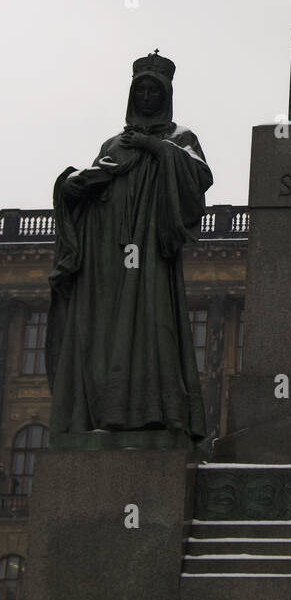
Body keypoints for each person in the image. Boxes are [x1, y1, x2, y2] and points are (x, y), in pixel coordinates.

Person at [46, 53, 212, 446]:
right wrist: (71, 189)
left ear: (167, 94)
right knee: (105, 334)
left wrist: (156, 147)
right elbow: (92, 185)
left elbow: (199, 177)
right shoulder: (113, 143)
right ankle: (103, 411)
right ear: (132, 94)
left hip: (149, 256)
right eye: (142, 89)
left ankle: (150, 411)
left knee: (151, 328)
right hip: (107, 257)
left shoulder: (179, 138)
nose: (148, 95)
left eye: (155, 89)